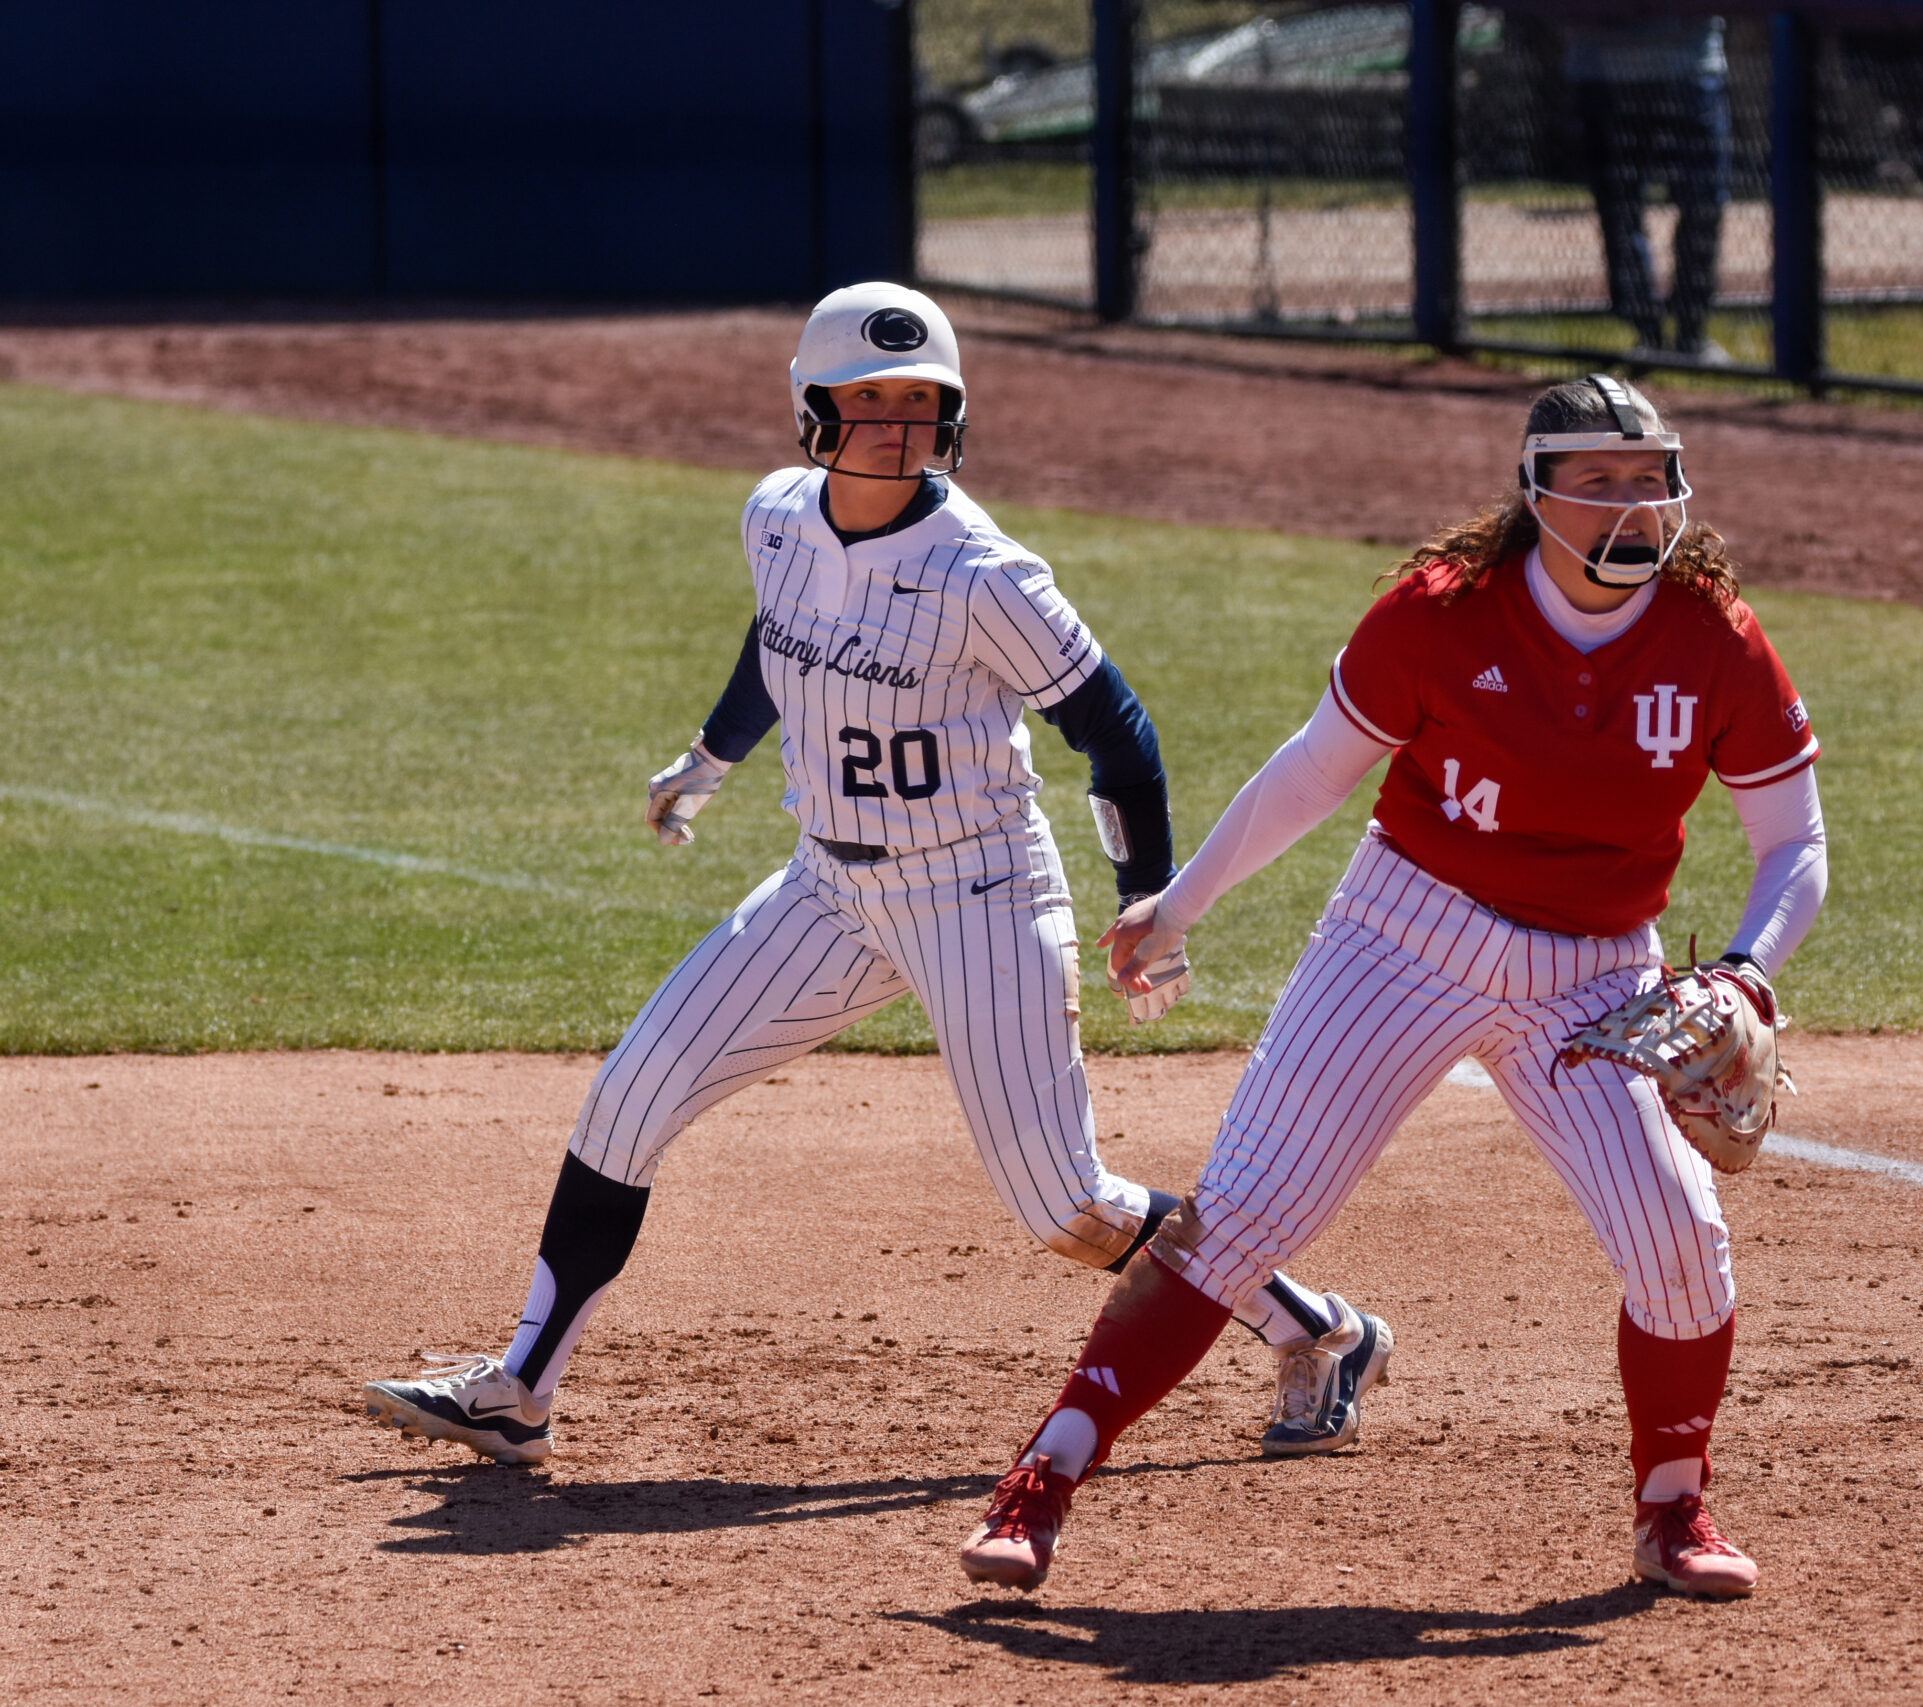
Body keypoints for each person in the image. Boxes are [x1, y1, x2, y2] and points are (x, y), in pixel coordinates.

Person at [359, 283, 1387, 1468]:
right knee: (626, 1101)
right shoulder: (776, 517)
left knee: (1068, 1207)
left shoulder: (984, 574)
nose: (896, 426)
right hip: (825, 892)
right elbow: (777, 638)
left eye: (919, 403)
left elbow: (1118, 734)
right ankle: (519, 1391)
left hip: (978, 894)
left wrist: (1144, 899)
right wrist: (709, 759)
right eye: (869, 401)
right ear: (813, 407)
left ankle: (1319, 1330)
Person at [954, 373, 1826, 1598]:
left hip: (1593, 980)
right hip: (1404, 935)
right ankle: (1043, 1476)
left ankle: (1672, 1511)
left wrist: (1744, 972)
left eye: (1650, 478)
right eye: (1600, 480)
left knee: (1681, 1242)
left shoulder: (1712, 635)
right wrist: (1180, 902)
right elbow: (1315, 772)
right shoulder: (1442, 613)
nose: (1633, 504)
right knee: (1239, 1220)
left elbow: (1795, 842)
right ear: (1537, 494)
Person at [1564, 17, 1733, 358]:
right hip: (1604, 71)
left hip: (1691, 66)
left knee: (1704, 200)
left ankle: (1691, 334)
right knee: (1619, 206)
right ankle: (1647, 333)